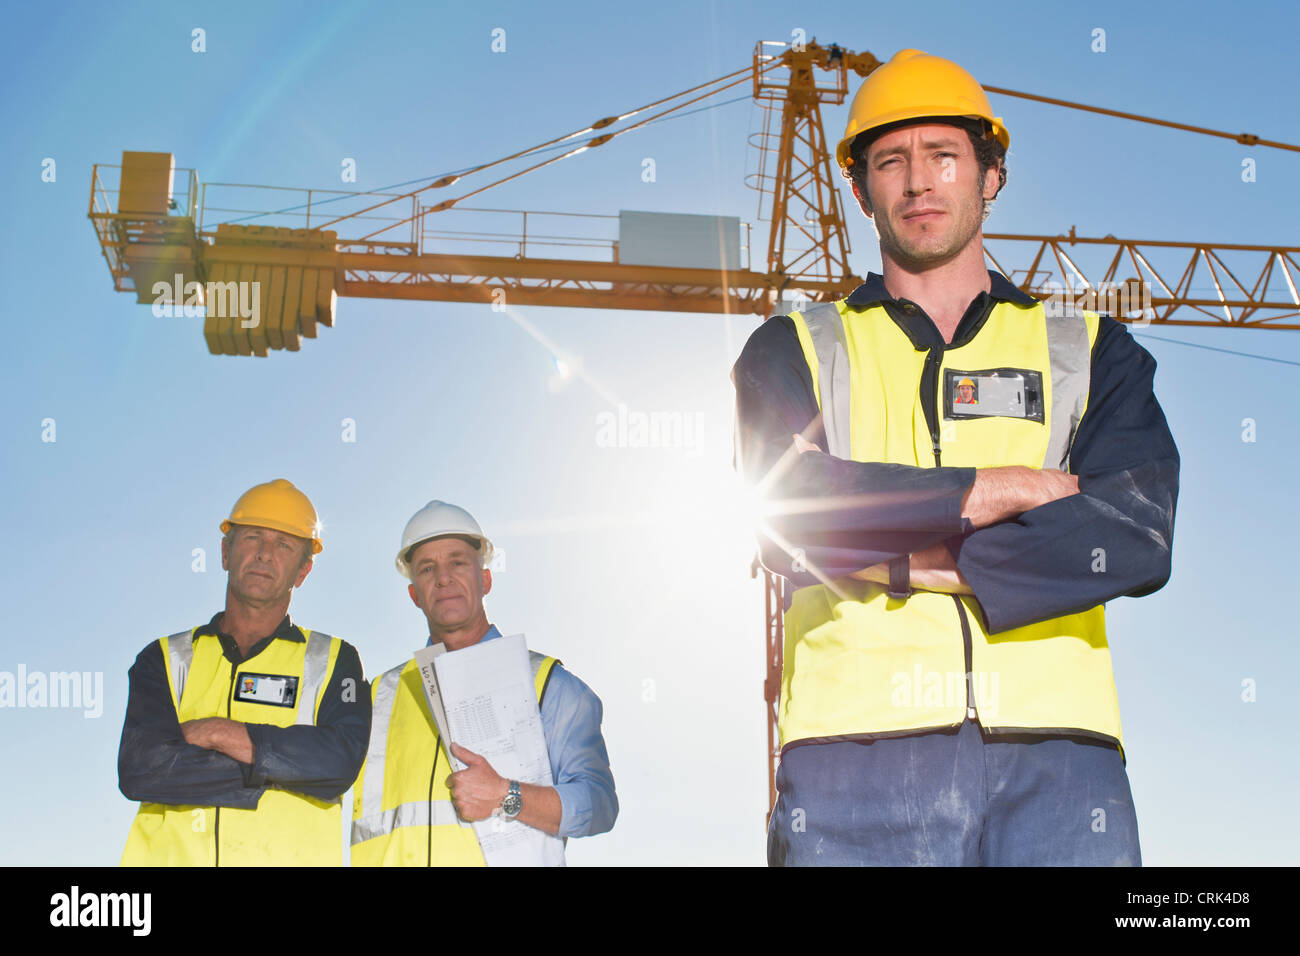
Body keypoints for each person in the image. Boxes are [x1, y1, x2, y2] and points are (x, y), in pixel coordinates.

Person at [731, 49, 1179, 866]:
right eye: (890, 162)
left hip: (1061, 760)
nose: (918, 183)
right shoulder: (792, 346)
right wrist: (998, 487)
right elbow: (785, 512)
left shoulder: (1089, 350)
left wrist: (891, 560)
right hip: (851, 761)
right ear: (862, 188)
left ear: (991, 174)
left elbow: (1136, 530)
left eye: (945, 156)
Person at [350, 500, 617, 865]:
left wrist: (507, 796)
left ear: (485, 579)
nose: (443, 577)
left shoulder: (549, 685)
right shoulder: (380, 695)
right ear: (414, 594)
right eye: (427, 568)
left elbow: (599, 805)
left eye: (458, 562)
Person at [118, 479, 370, 865]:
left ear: (303, 571)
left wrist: (218, 733)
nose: (265, 554)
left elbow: (337, 765)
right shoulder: (164, 658)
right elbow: (142, 770)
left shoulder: (336, 660)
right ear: (225, 552)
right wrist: (280, 771)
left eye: (284, 544)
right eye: (252, 537)